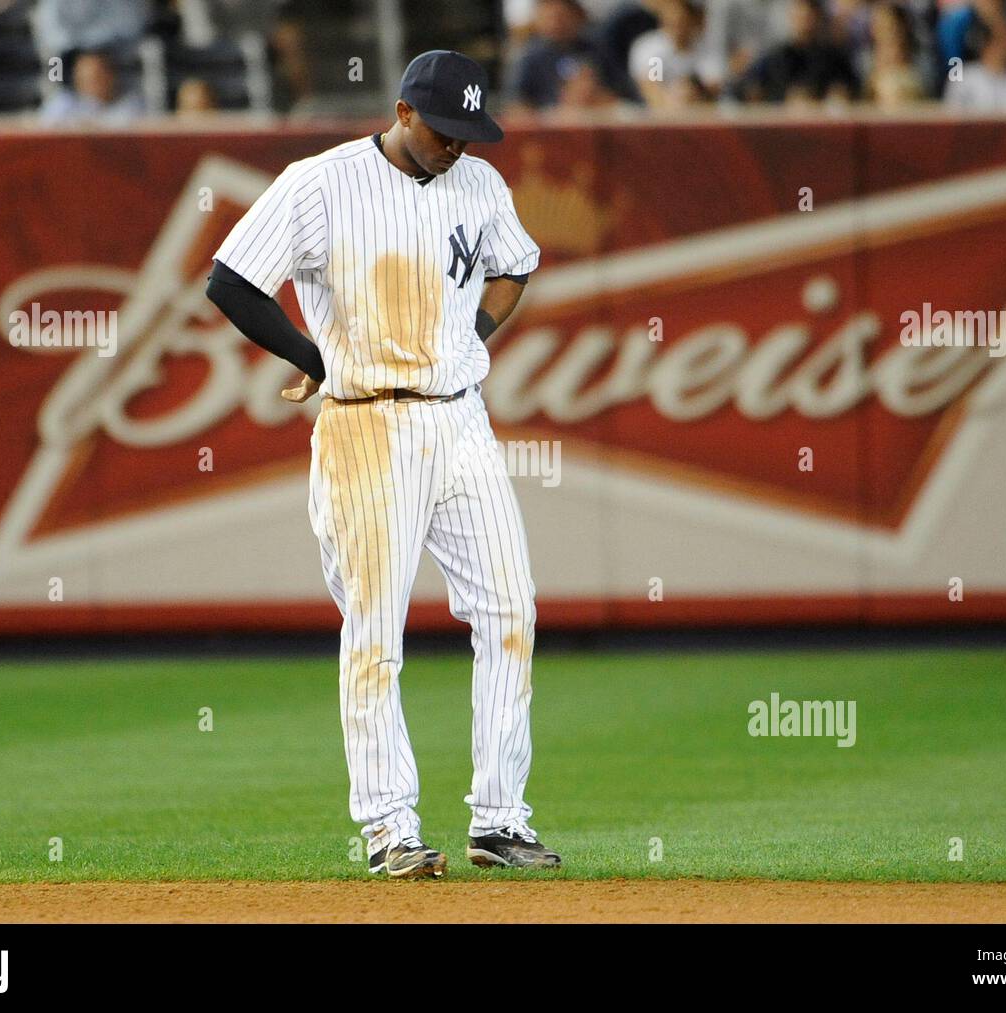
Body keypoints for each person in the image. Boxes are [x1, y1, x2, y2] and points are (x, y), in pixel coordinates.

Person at [206, 51, 560, 878]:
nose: (458, 147)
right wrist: (315, 356)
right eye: (444, 130)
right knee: (376, 634)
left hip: (460, 419)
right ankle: (390, 828)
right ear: (403, 112)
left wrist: (473, 334)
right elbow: (229, 280)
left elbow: (517, 266)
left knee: (511, 613)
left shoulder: (478, 185)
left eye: (471, 133)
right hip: (367, 426)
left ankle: (500, 819)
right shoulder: (319, 183)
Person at [507, 0, 636, 109]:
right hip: (550, 126)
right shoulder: (530, 57)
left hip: (596, 120)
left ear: (577, 15)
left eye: (561, 16)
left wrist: (596, 95)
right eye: (549, 17)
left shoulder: (598, 49)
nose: (556, 24)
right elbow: (516, 104)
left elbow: (623, 93)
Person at [733, 0, 859, 104]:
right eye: (799, 14)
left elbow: (854, 88)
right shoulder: (776, 56)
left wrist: (836, 95)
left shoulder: (834, 57)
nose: (804, 20)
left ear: (818, 17)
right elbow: (744, 87)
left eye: (808, 15)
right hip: (782, 126)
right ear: (791, 16)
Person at [628, 0, 725, 107]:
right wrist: (674, 101)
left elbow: (713, 86)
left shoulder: (706, 47)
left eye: (682, 22)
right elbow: (652, 90)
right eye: (672, 22)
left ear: (692, 21)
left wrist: (690, 89)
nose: (678, 28)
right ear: (663, 21)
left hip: (699, 109)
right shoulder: (652, 50)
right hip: (660, 114)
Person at [39, 49, 145, 124]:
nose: (93, 83)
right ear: (76, 80)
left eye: (97, 76)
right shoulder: (62, 105)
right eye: (85, 78)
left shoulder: (132, 106)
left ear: (111, 75)